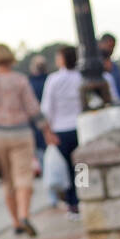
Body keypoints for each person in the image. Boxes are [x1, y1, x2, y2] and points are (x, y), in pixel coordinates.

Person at [0, 43, 53, 236]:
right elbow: (33, 108)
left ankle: (16, 222)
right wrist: (47, 130)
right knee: (24, 176)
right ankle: (25, 214)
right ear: (11, 58)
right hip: (20, 133)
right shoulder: (19, 80)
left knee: (7, 181)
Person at [38, 45, 83, 219]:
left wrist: (47, 132)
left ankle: (72, 204)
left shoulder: (54, 80)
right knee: (80, 167)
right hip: (80, 126)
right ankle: (82, 198)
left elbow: (47, 109)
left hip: (61, 130)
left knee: (67, 169)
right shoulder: (81, 77)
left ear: (63, 59)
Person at [26, 55, 57, 205]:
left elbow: (35, 110)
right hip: (59, 128)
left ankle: (53, 198)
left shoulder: (29, 84)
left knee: (47, 166)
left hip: (40, 130)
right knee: (77, 165)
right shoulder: (52, 79)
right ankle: (80, 192)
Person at [98, 33, 120, 102]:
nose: (111, 50)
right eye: (109, 46)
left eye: (113, 47)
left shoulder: (115, 67)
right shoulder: (95, 67)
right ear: (100, 44)